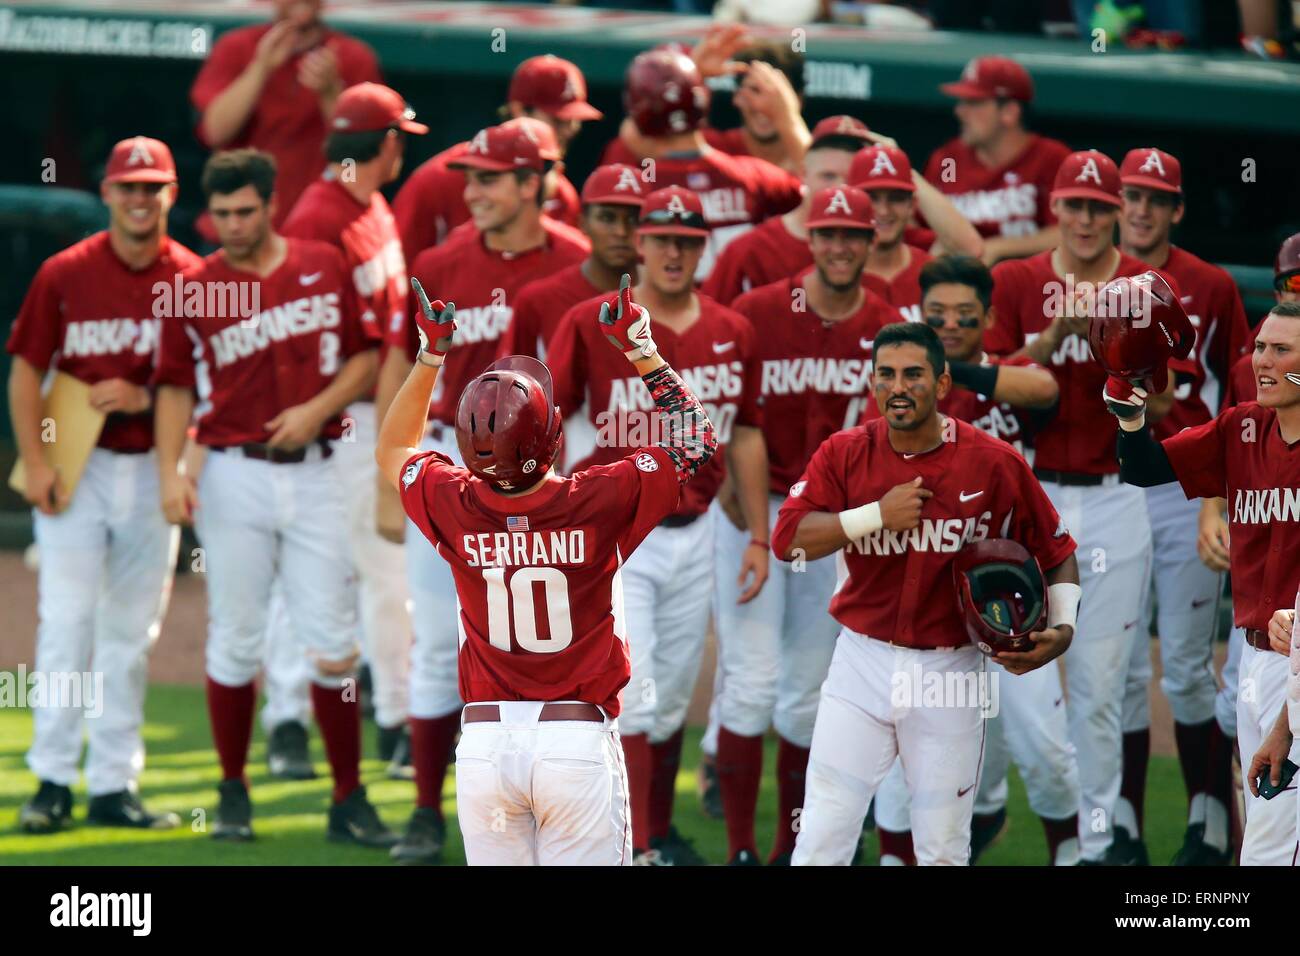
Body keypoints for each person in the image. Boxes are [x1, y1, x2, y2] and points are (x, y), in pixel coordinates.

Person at [373, 274, 719, 865]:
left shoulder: (452, 498)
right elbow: (697, 439)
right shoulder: (600, 496)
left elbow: (392, 450)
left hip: (483, 745)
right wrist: (642, 349)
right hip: (574, 741)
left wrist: (431, 353)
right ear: (555, 436)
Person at [773, 320, 1080, 866]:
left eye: (913, 374)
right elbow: (788, 539)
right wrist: (874, 515)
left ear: (942, 385)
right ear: (871, 386)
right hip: (860, 662)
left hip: (951, 669)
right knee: (822, 832)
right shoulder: (845, 452)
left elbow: (1057, 551)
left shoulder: (994, 461)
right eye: (886, 375)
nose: (899, 386)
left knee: (941, 847)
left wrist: (1062, 628)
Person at [152, 149, 390, 846]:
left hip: (316, 466)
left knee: (335, 643)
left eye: (244, 211)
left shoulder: (322, 261)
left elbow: (367, 357)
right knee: (236, 635)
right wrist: (172, 471)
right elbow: (171, 386)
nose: (231, 224)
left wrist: (317, 409)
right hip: (233, 472)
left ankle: (348, 796)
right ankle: (233, 792)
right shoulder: (197, 286)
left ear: (270, 202)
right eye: (220, 213)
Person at [377, 122, 589, 864]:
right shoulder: (438, 259)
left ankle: (571, 798)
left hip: (547, 469)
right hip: (446, 458)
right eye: (470, 177)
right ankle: (428, 811)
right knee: (439, 641)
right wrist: (389, 477)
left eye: (490, 178)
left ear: (534, 183)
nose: (472, 191)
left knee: (558, 637)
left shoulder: (577, 259)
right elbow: (404, 365)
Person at [547, 186, 769, 864]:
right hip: (613, 531)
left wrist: (758, 532)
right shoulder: (592, 319)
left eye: (688, 240)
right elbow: (549, 415)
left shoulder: (733, 328)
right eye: (662, 238)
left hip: (697, 526)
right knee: (632, 695)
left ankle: (657, 831)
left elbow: (746, 433)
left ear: (705, 247)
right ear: (638, 242)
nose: (674, 252)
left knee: (670, 695)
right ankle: (634, 845)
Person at [983, 149, 1177, 864]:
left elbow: (1165, 403)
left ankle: (1096, 841)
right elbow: (987, 383)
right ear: (1055, 209)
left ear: (1118, 212)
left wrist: (1115, 352)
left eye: (1100, 207)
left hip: (1118, 491)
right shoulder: (1017, 279)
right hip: (1030, 493)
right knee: (1014, 670)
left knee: (1098, 685)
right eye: (1076, 205)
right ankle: (990, 807)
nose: (1087, 218)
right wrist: (1052, 337)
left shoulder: (1146, 287)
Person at [11, 136, 201, 834]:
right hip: (79, 468)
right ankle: (53, 779)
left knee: (130, 633)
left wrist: (145, 398)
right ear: (108, 194)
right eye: (129, 187)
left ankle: (114, 784)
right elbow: (27, 370)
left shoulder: (194, 277)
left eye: (153, 187)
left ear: (171, 195)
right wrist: (35, 461)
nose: (140, 199)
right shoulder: (65, 272)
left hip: (151, 465)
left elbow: (205, 385)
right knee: (66, 623)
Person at [863, 256, 1080, 866]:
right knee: (909, 740)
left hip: (1011, 582)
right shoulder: (897, 390)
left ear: (988, 317)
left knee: (1042, 736)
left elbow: (1044, 387)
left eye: (964, 315)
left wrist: (946, 365)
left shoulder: (1006, 370)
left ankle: (1070, 851)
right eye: (937, 317)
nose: (951, 324)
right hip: (922, 587)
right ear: (918, 315)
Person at [714, 185, 899, 865]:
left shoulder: (887, 321)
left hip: (832, 524)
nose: (841, 246)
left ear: (871, 241)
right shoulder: (758, 311)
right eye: (829, 234)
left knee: (801, 693)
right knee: (750, 679)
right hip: (757, 510)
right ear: (810, 240)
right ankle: (739, 848)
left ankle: (787, 851)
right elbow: (722, 409)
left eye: (853, 234)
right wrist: (735, 495)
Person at [277, 82, 429, 776]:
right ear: (389, 143)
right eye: (404, 137)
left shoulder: (369, 205)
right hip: (341, 422)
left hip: (375, 412)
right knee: (357, 574)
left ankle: (377, 718)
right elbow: (297, 338)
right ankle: (378, 724)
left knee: (362, 574)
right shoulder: (318, 215)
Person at [1115, 300, 1300, 866]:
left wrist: (1288, 722)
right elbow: (1142, 468)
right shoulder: (1242, 427)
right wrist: (1129, 414)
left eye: (1282, 350)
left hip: (1294, 662)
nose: (1261, 361)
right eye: (1259, 347)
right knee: (1272, 834)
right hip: (1256, 662)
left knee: (1269, 847)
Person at [1115, 146, 1250, 865]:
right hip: (1105, 485)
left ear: (1176, 209)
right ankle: (1125, 825)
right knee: (1121, 667)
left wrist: (1219, 495)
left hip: (1182, 482)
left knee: (1190, 665)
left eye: (1153, 197)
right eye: (1130, 194)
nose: (1139, 208)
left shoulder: (1210, 283)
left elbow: (1238, 391)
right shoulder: (1081, 278)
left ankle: (1211, 816)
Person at [602, 47, 804, 280]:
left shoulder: (638, 185)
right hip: (740, 311)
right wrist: (790, 121)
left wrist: (684, 81)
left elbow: (627, 139)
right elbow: (823, 198)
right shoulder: (754, 175)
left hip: (661, 313)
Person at [190, 0, 381, 228]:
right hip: (238, 224)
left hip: (319, 226)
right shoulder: (236, 46)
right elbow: (216, 132)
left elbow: (363, 155)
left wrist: (331, 93)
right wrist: (261, 68)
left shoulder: (352, 56)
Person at [392, 55, 600, 261]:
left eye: (574, 120)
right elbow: (402, 267)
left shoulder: (560, 191)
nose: (569, 130)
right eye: (558, 120)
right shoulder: (437, 180)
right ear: (519, 110)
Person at [923, 56, 1071, 265]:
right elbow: (917, 228)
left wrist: (999, 248)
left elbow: (1070, 234)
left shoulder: (1051, 159)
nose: (959, 111)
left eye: (973, 103)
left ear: (1009, 112)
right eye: (961, 102)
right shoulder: (947, 160)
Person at [497, 163, 646, 363]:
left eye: (633, 219)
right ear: (583, 223)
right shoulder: (537, 302)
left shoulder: (672, 295)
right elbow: (514, 384)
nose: (621, 231)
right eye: (607, 218)